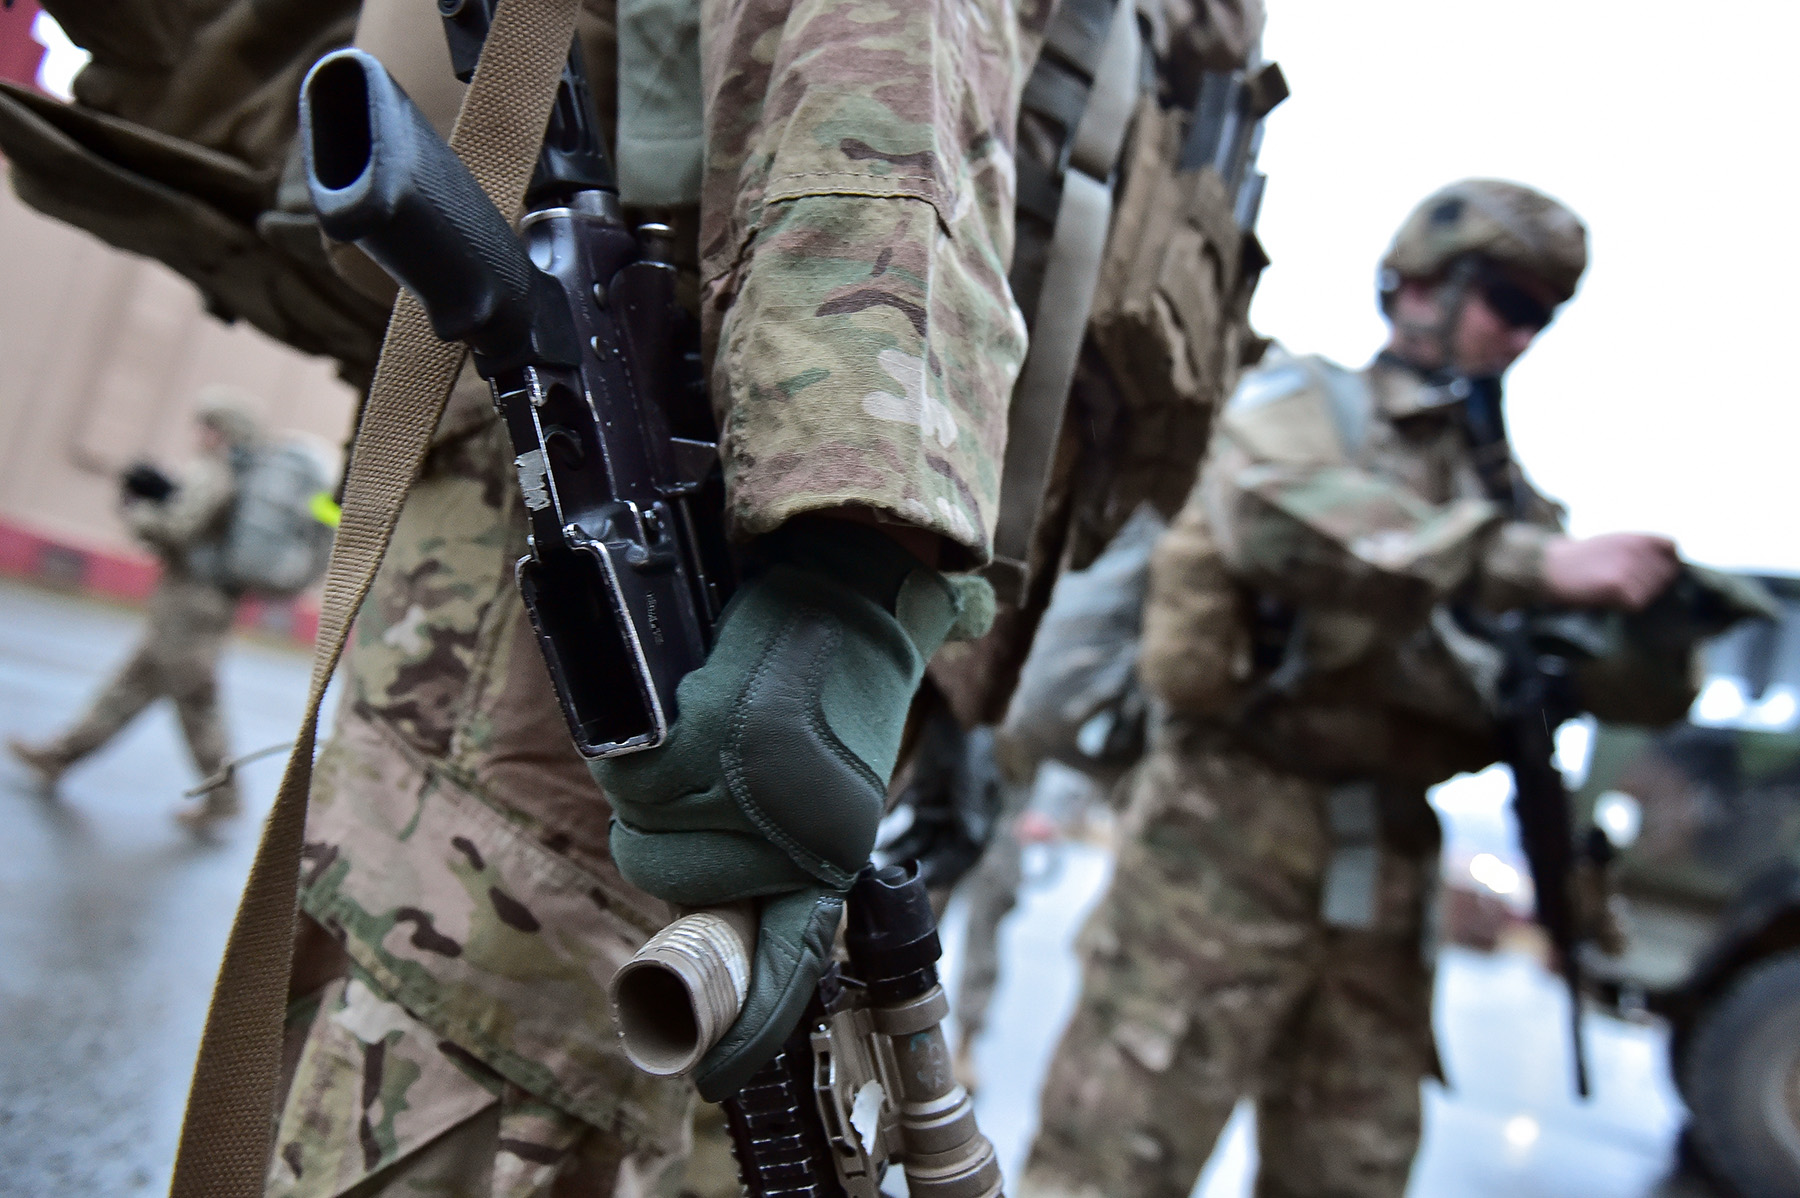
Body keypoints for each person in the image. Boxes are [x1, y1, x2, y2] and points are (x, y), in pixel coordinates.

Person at [1018, 179, 1690, 1198]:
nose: (1520, 336)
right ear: (1419, 285)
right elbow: (1278, 520)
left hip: (1388, 866)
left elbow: (1593, 677)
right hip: (1225, 838)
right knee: (1112, 1161)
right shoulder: (1303, 408)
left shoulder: (1504, 491)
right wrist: (1527, 564)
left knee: (1351, 1171)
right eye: (1507, 301)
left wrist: (1667, 626)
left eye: (1541, 318)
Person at [8, 391, 257, 833]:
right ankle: (60, 756)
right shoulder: (233, 477)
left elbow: (179, 528)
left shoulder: (214, 473)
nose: (199, 434)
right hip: (194, 604)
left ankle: (225, 798)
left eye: (207, 426)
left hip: (191, 605)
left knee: (195, 705)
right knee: (131, 687)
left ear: (222, 432)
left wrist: (140, 510)